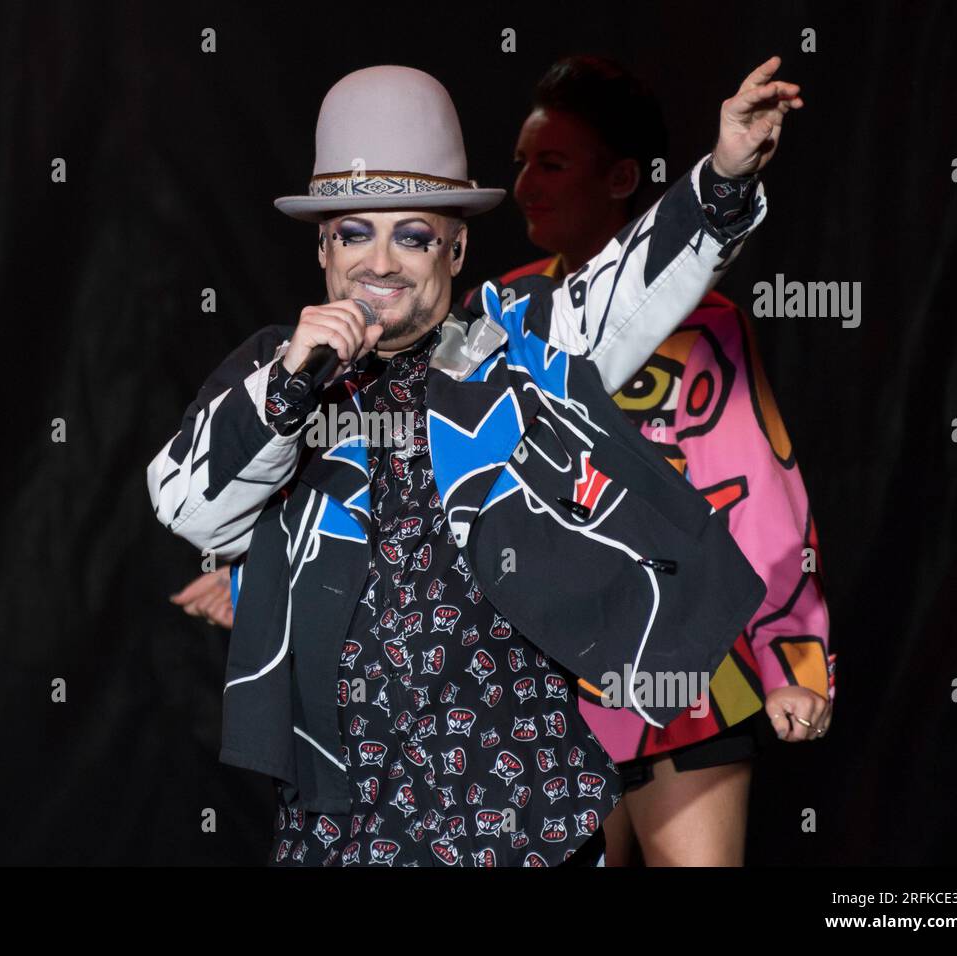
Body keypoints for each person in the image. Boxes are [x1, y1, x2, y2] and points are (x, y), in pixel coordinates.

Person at [148, 59, 802, 865]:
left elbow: (631, 284)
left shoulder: (514, 349)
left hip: (528, 818)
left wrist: (726, 175)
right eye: (354, 231)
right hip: (346, 828)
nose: (379, 262)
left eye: (412, 234)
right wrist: (288, 383)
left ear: (455, 250)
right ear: (323, 247)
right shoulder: (274, 379)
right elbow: (186, 506)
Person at [460, 54, 832, 866]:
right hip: (536, 682)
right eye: (521, 163)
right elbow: (440, 482)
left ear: (624, 177)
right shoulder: (498, 312)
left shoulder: (710, 323)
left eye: (551, 163)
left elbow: (761, 500)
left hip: (678, 673)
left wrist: (788, 659)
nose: (524, 185)